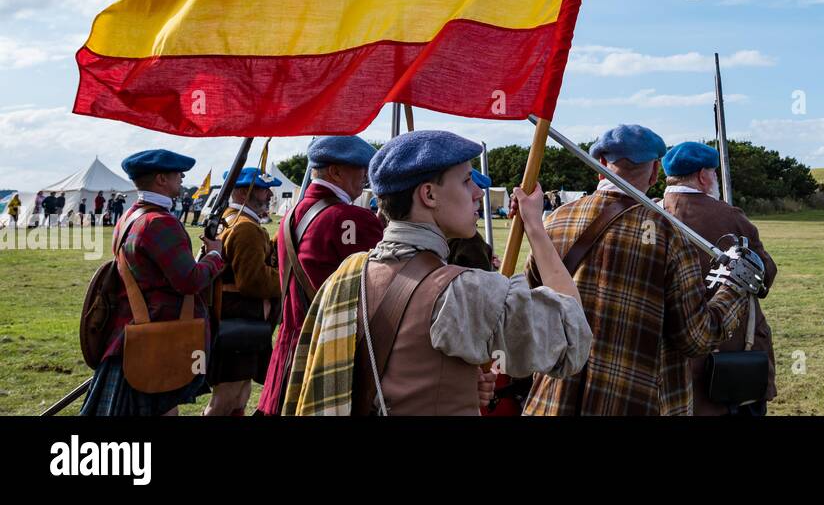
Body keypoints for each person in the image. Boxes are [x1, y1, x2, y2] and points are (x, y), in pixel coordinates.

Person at [282, 130, 591, 416]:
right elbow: (571, 333)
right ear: (429, 195)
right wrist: (535, 228)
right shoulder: (461, 291)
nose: (477, 193)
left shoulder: (349, 273)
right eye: (466, 180)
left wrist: (457, 383)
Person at [523, 124, 755, 416]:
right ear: (656, 171)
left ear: (601, 167)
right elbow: (695, 337)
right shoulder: (668, 233)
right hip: (636, 400)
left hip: (555, 399)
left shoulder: (553, 222)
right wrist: (735, 286)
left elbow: (534, 309)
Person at [81, 149, 224, 416]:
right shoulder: (159, 222)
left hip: (139, 334)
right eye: (176, 174)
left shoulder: (131, 216)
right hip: (156, 336)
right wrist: (215, 255)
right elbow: (190, 282)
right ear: (161, 179)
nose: (182, 178)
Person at [257, 135, 385, 415]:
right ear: (335, 171)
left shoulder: (291, 214)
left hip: (289, 349)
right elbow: (379, 294)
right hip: (328, 352)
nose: (365, 176)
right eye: (359, 168)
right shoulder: (352, 218)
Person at [661, 141, 777, 416]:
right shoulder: (729, 216)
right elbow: (765, 275)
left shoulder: (652, 213)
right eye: (713, 173)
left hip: (670, 365)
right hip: (728, 354)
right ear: (703, 176)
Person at [206, 167, 282, 416]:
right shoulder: (245, 227)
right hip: (240, 318)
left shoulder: (234, 219)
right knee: (226, 398)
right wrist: (286, 279)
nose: (269, 194)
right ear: (242, 192)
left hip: (238, 319)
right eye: (262, 189)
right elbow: (254, 282)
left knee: (240, 394)